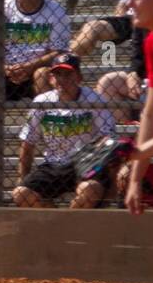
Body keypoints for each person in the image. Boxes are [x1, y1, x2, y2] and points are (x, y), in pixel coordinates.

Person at [12, 52, 115, 209]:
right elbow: (28, 144)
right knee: (21, 193)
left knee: (91, 190)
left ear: (79, 77)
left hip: (84, 162)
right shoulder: (42, 102)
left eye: (68, 74)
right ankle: (55, 219)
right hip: (53, 164)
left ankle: (66, 221)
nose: (62, 79)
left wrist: (109, 182)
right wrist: (22, 178)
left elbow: (108, 140)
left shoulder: (95, 100)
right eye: (57, 74)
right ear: (51, 79)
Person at [118, 0, 153, 283]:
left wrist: (146, 151)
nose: (130, 2)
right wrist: (136, 175)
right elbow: (151, 111)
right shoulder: (151, 42)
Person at [91, 0, 153, 123]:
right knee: (108, 74)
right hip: (129, 33)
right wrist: (133, 72)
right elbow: (122, 9)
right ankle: (126, 136)